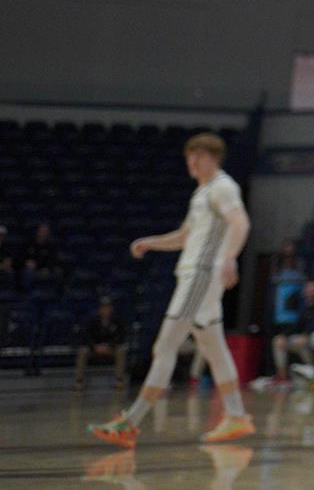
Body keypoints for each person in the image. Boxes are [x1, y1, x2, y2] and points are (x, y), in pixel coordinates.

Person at [88, 133, 255, 446]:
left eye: (198, 156)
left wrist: (230, 257)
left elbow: (241, 222)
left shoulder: (223, 187)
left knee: (165, 346)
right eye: (189, 157)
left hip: (200, 276)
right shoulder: (202, 192)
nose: (192, 162)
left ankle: (131, 422)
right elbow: (184, 237)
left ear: (213, 158)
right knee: (214, 349)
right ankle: (236, 416)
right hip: (196, 277)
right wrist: (150, 242)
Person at [267, 278, 314, 387]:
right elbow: (297, 325)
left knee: (301, 342)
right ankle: (282, 376)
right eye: (309, 289)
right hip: (303, 340)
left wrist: (306, 335)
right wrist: (284, 335)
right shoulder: (304, 306)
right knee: (278, 341)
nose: (311, 292)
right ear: (304, 291)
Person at [74, 298, 127, 390]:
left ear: (111, 309)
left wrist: (109, 346)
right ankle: (79, 380)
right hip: (94, 348)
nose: (105, 310)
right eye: (103, 308)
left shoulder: (117, 321)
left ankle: (119, 380)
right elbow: (86, 336)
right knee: (83, 351)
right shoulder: (92, 321)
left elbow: (121, 337)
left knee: (121, 350)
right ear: (99, 309)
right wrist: (94, 346)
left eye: (107, 308)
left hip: (110, 348)